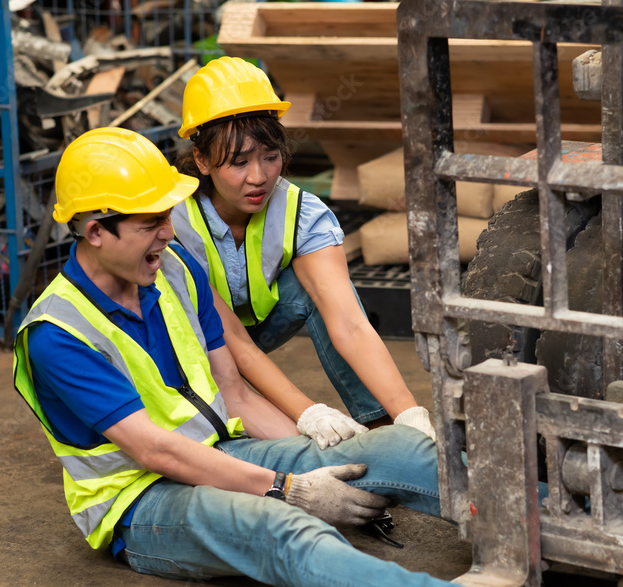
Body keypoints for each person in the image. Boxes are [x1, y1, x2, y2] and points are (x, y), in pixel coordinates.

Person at [13, 127, 565, 587]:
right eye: (151, 222)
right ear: (94, 231)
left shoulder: (174, 272)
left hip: (219, 453)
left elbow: (233, 392)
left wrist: (318, 451)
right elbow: (157, 453)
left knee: (396, 449)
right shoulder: (58, 334)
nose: (167, 232)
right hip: (140, 502)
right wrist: (289, 489)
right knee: (285, 528)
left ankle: (577, 522)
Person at [170, 56, 435, 441]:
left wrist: (408, 412)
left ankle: (383, 427)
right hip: (198, 343)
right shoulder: (176, 224)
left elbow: (349, 323)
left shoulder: (301, 212)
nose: (258, 177)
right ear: (201, 159)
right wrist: (307, 413)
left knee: (319, 290)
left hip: (253, 331)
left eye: (270, 157)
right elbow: (234, 344)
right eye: (239, 162)